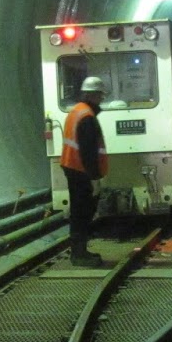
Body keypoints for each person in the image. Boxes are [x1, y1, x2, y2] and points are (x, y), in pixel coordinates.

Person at [62, 76, 109, 267]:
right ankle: (79, 255)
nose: (102, 99)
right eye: (100, 95)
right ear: (94, 95)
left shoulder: (76, 111)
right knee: (82, 213)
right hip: (81, 171)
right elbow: (88, 151)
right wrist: (94, 178)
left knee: (78, 212)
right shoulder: (87, 117)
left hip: (72, 168)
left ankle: (80, 252)